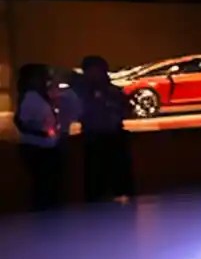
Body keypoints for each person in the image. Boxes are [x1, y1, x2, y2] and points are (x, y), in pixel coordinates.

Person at [76, 55, 135, 202]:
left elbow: (127, 110)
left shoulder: (114, 92)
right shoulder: (81, 93)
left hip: (115, 139)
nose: (94, 75)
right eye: (90, 71)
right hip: (93, 140)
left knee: (120, 181)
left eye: (97, 71)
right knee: (96, 184)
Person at [14, 64, 66, 210]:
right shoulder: (31, 97)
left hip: (43, 147)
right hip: (38, 148)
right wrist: (45, 133)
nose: (45, 80)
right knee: (45, 186)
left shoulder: (38, 97)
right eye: (41, 76)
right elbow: (22, 123)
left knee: (46, 186)